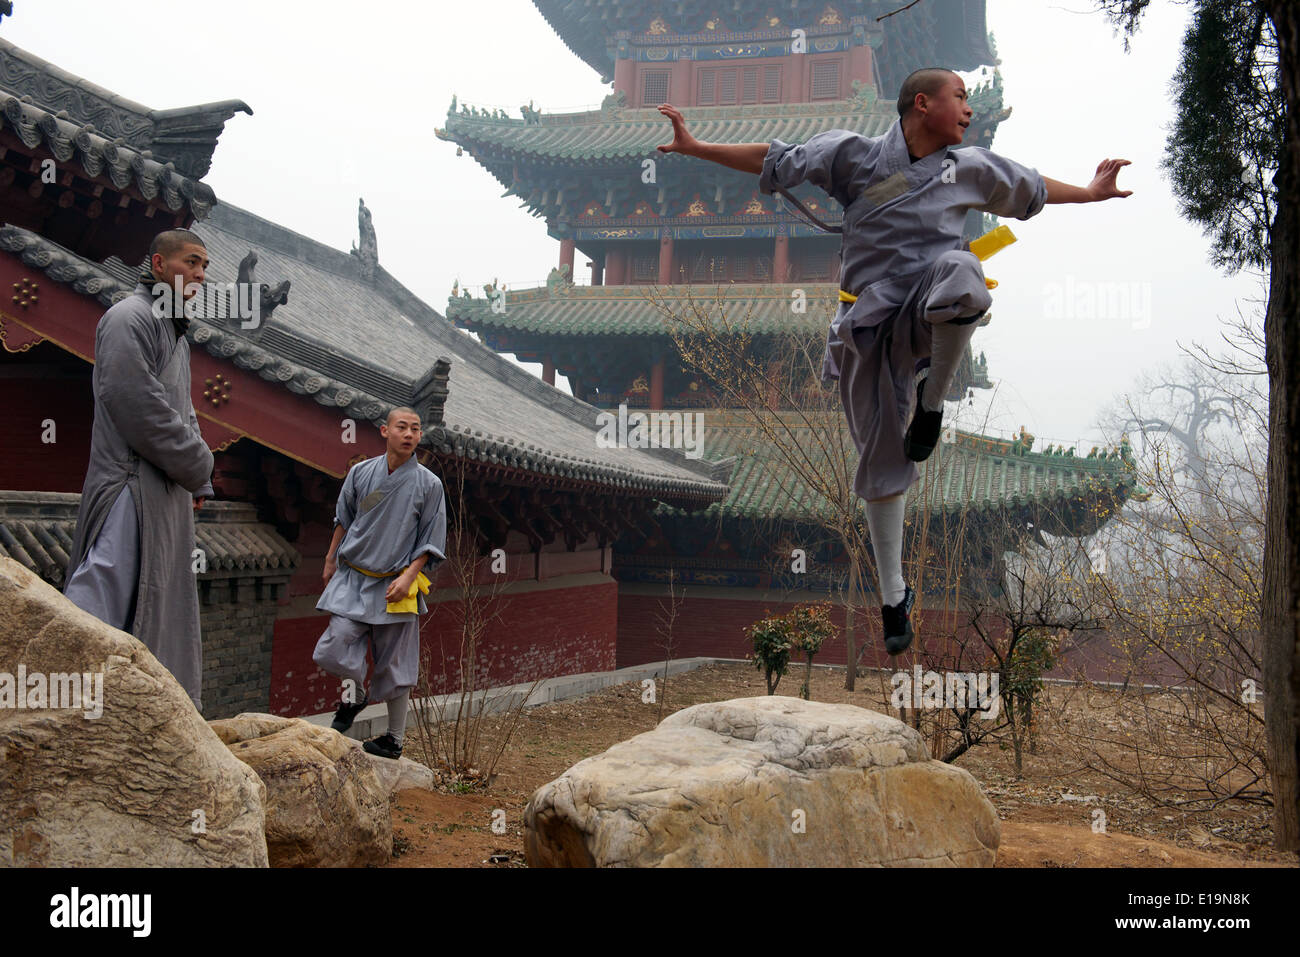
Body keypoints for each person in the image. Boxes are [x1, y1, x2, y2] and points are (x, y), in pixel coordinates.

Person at [656, 67, 1131, 654]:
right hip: (867, 325)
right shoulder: (850, 156)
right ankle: (892, 596)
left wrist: (1089, 192)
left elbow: (1030, 187)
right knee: (880, 461)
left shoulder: (970, 166)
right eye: (959, 98)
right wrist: (697, 147)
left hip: (929, 303)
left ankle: (931, 405)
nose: (968, 109)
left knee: (965, 274)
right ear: (922, 103)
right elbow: (775, 160)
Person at [64, 229, 215, 710]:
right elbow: (135, 403)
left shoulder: (176, 333)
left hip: (167, 488)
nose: (200, 274)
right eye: (191, 262)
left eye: (205, 267)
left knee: (159, 606)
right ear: (157, 264)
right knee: (103, 593)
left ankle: (145, 712)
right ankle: (65, 701)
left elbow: (184, 412)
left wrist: (197, 473)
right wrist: (198, 463)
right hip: (130, 483)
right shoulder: (128, 317)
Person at [313, 407, 447, 759]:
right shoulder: (360, 473)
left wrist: (410, 576)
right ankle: (355, 694)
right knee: (334, 645)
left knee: (396, 665)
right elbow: (345, 518)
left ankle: (394, 739)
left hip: (396, 585)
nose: (409, 434)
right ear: (384, 431)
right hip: (354, 577)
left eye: (416, 429)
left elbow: (431, 539)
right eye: (402, 427)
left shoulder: (429, 485)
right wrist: (330, 559)